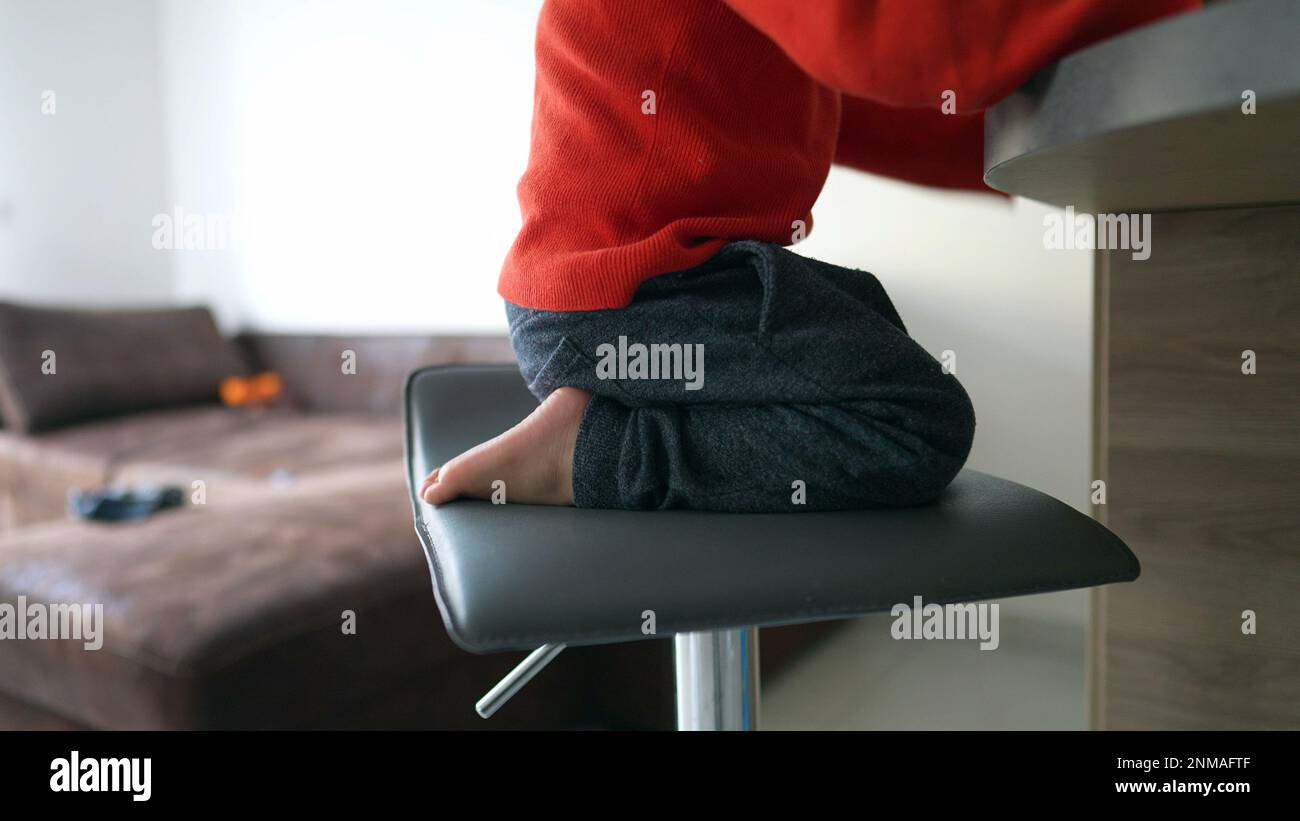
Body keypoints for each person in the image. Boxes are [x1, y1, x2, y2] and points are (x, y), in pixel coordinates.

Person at [420, 0, 1199, 512]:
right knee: (917, 422)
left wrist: (1005, 128)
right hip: (640, 297)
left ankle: (609, 404)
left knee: (865, 317)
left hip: (623, 294)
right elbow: (906, 42)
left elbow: (860, 92)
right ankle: (597, 451)